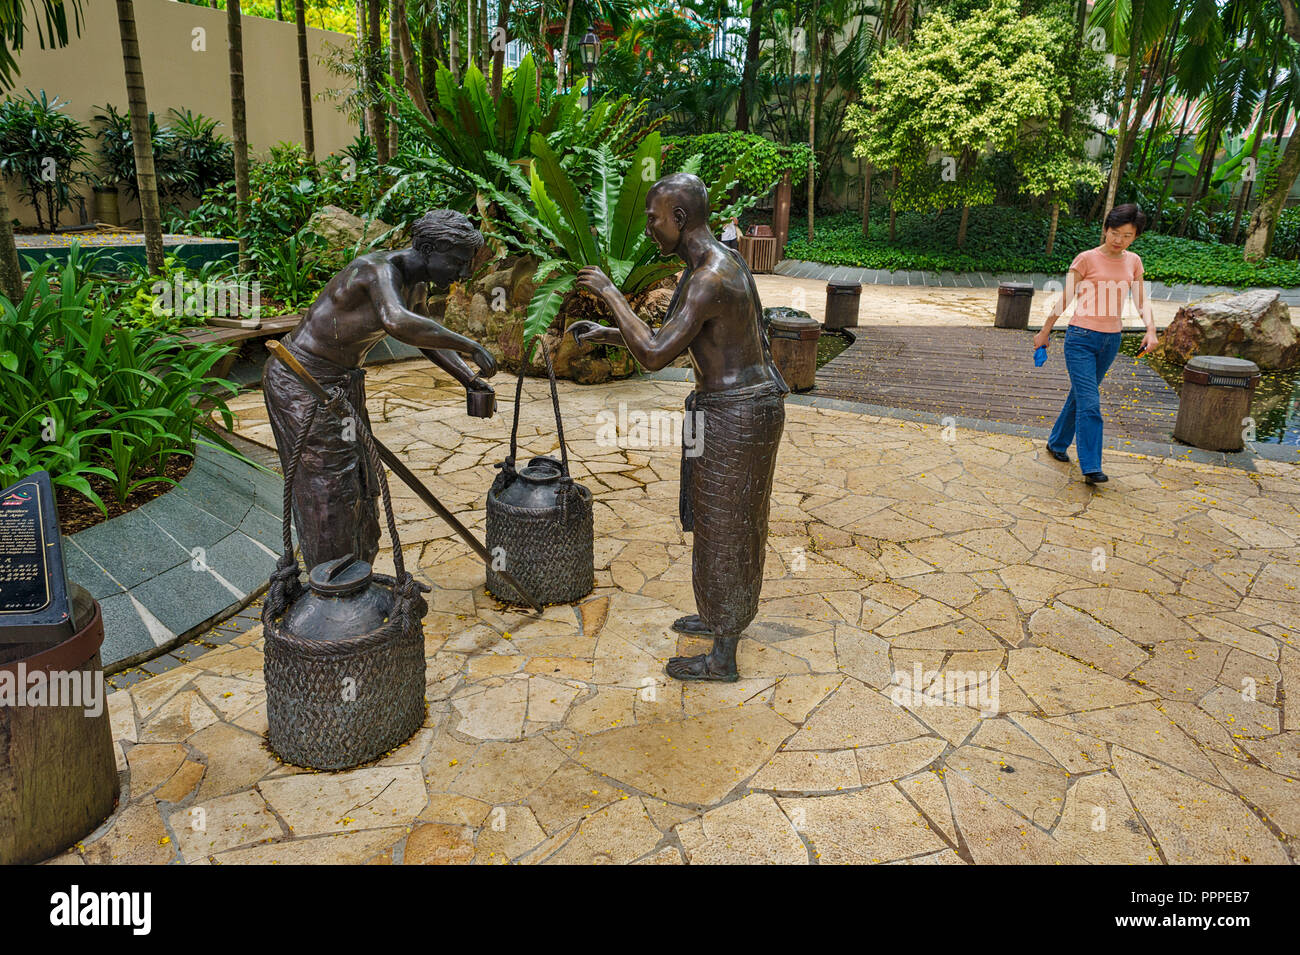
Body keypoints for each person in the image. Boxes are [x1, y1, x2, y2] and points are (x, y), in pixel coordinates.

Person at [568, 172, 788, 682]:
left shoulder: (710, 275)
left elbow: (652, 355)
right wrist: (607, 332)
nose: (648, 227)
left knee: (728, 526)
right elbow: (671, 339)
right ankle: (719, 619)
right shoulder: (711, 263)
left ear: (680, 218)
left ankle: (723, 653)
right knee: (717, 520)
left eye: (653, 217)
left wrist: (608, 292)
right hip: (733, 408)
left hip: (738, 412)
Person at [264, 209, 498, 570]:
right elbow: (399, 322)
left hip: (341, 381)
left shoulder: (415, 283)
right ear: (429, 248)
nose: (463, 273)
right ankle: (332, 586)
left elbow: (424, 336)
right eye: (457, 262)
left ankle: (360, 576)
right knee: (329, 482)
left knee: (360, 476)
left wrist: (466, 377)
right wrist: (470, 344)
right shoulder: (376, 270)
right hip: (300, 379)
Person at [1033, 203, 1158, 484]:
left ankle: (1056, 443)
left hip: (1111, 341)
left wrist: (1151, 330)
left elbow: (1141, 300)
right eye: (1115, 233)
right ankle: (1091, 466)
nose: (1119, 241)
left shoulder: (1133, 261)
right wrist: (1045, 331)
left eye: (1127, 236)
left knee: (1080, 395)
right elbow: (1065, 297)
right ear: (1105, 229)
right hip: (1080, 339)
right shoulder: (1086, 259)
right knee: (1091, 403)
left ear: (1135, 236)